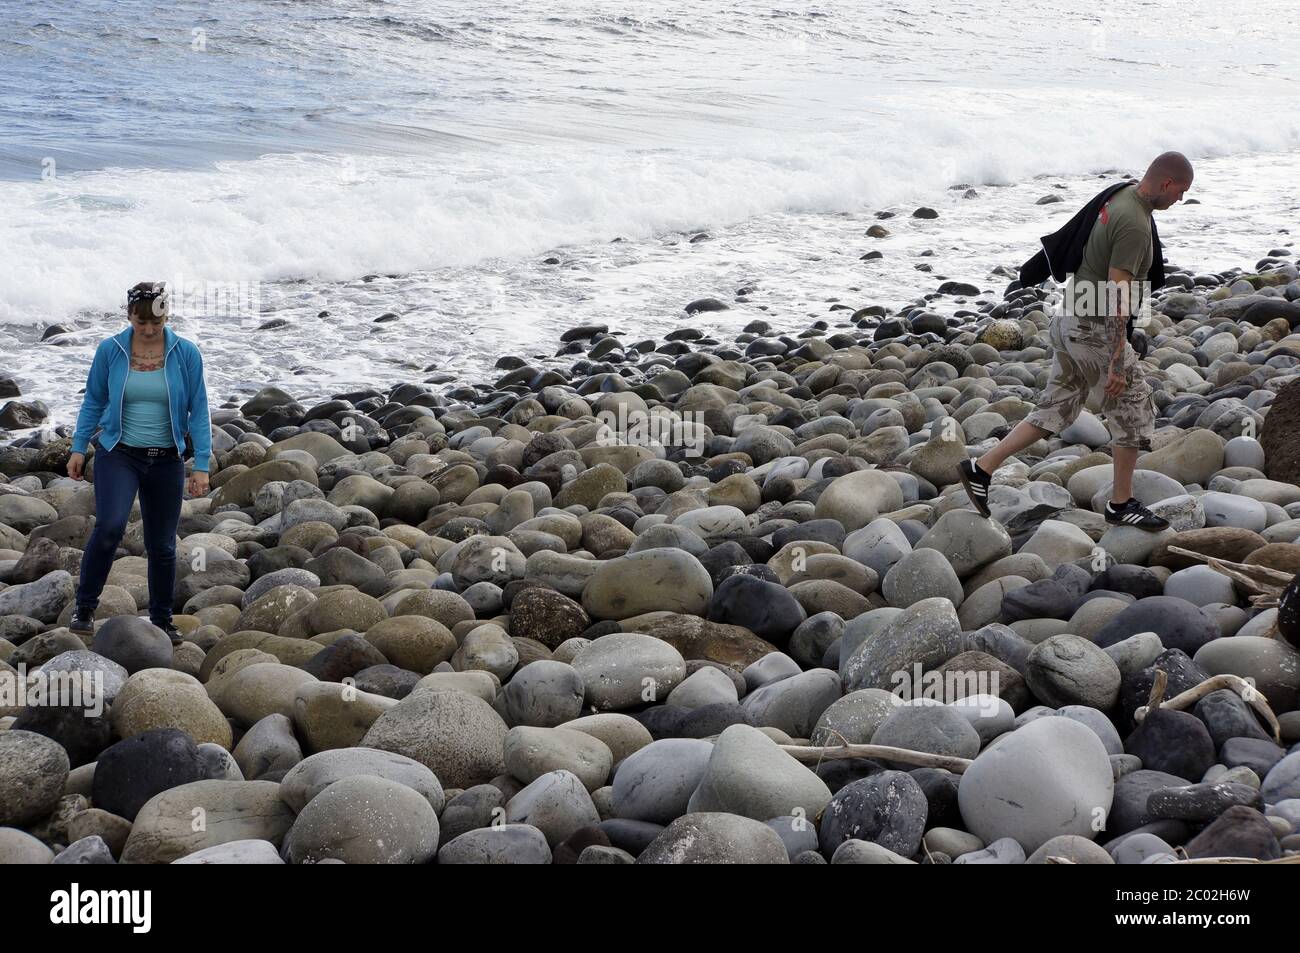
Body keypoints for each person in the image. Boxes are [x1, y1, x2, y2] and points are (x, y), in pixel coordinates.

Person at [958, 152, 1194, 531]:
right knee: (1134, 409)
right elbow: (1119, 295)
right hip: (1093, 328)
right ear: (1166, 183)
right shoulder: (1134, 223)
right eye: (1181, 191)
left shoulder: (1119, 196)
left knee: (1057, 407)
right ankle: (1121, 504)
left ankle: (980, 468)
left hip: (1068, 318)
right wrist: (1117, 361)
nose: (1180, 200)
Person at [66, 283, 213, 643]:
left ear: (167, 316)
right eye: (141, 320)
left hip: (167, 459)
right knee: (110, 526)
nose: (148, 329)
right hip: (119, 454)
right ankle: (84, 609)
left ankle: (162, 620)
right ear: (129, 314)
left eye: (156, 321)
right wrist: (79, 446)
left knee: (162, 545)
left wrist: (202, 463)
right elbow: (93, 401)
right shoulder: (111, 350)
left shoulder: (186, 353)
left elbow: (200, 409)